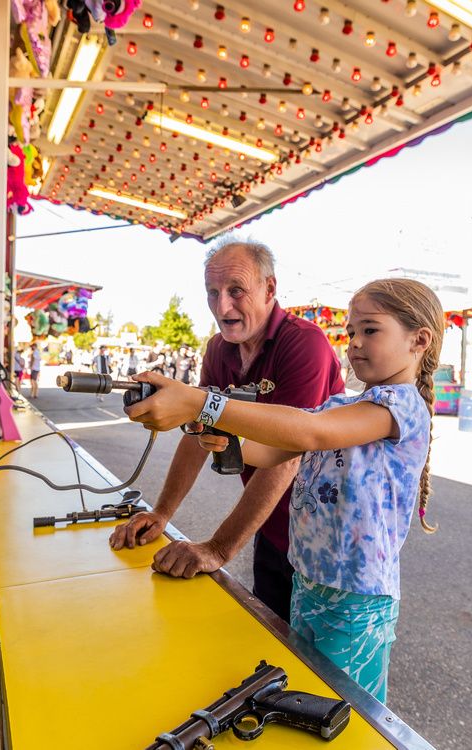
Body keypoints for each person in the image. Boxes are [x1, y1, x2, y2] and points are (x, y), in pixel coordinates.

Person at [125, 278, 443, 703]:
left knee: (343, 716)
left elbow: (308, 432)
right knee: (307, 697)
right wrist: (226, 437)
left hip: (356, 599)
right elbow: (274, 450)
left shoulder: (399, 406)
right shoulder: (345, 406)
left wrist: (205, 404)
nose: (354, 343)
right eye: (350, 332)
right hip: (309, 582)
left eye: (370, 330)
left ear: (418, 340)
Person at [109, 239, 342, 622]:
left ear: (270, 289)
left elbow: (286, 458)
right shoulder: (218, 349)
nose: (222, 306)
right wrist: (162, 512)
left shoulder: (305, 344)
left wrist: (218, 549)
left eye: (236, 290)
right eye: (212, 293)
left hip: (322, 532)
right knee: (271, 633)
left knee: (320, 663)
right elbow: (199, 430)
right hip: (270, 526)